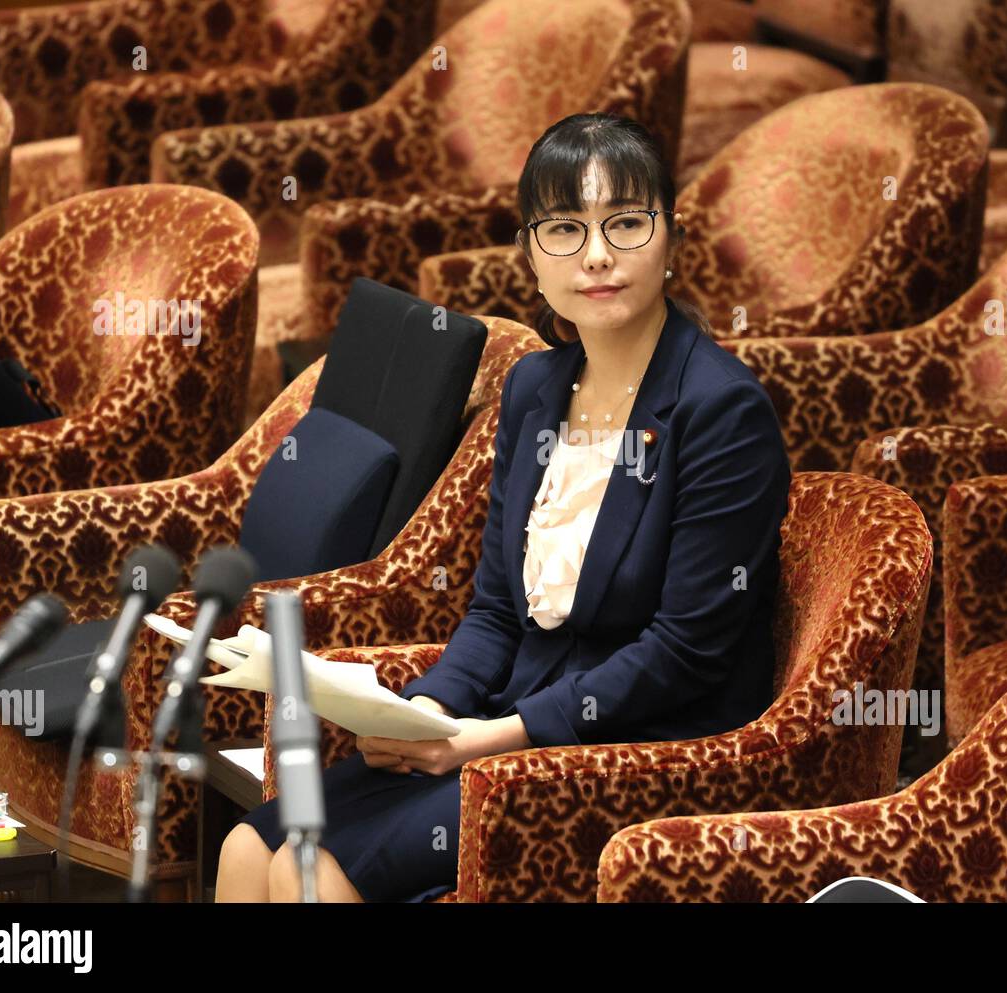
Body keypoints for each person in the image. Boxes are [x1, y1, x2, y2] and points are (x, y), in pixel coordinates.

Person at [215, 112, 791, 902]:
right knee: (249, 846)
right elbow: (494, 611)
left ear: (672, 240)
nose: (596, 254)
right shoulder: (534, 390)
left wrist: (493, 740)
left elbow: (685, 651)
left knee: (309, 869)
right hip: (501, 729)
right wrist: (422, 711)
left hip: (641, 754)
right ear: (529, 254)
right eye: (565, 228)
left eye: (626, 223)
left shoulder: (721, 409)